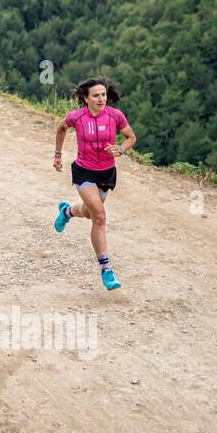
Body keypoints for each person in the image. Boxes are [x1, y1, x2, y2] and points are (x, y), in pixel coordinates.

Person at [51, 77, 136, 290]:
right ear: (86, 98)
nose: (101, 99)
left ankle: (68, 212)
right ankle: (107, 269)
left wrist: (121, 149)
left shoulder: (115, 116)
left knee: (90, 213)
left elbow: (130, 137)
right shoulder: (76, 117)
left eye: (103, 95)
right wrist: (58, 154)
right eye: (96, 95)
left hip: (106, 173)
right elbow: (61, 128)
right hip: (84, 171)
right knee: (99, 216)